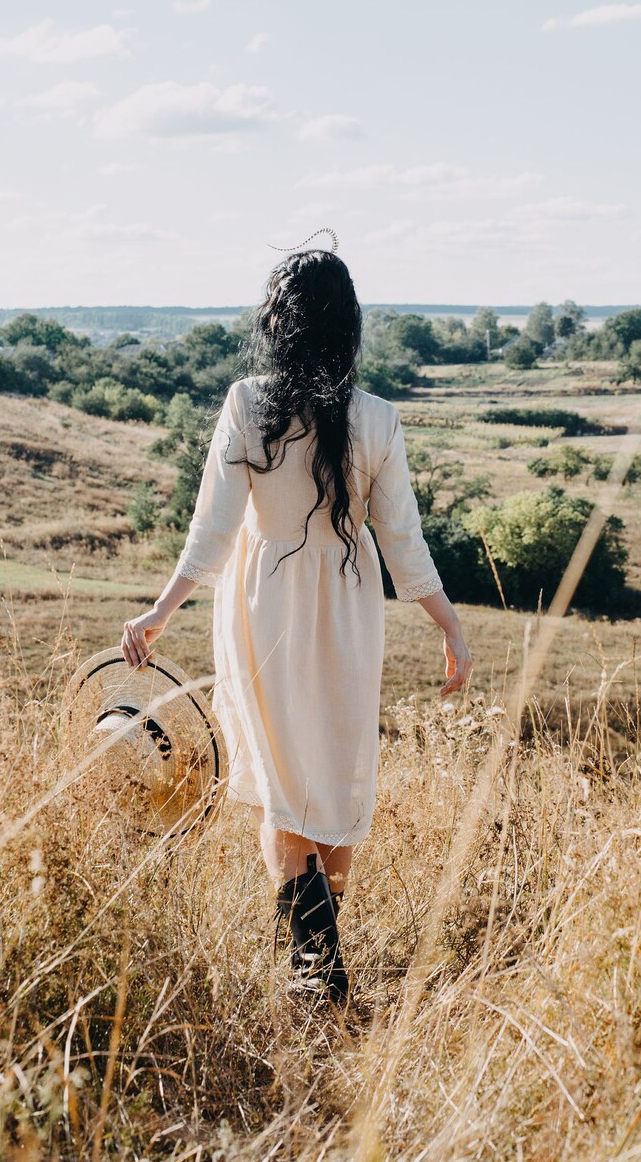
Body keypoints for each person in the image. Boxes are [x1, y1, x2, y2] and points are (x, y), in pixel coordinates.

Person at [120, 235, 472, 1003]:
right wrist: (449, 626)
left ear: (278, 325)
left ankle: (315, 968)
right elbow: (402, 540)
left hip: (262, 604)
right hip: (349, 607)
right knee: (330, 782)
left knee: (285, 781)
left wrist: (160, 610)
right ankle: (318, 962)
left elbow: (212, 531)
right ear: (348, 329)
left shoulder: (249, 405)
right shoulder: (376, 418)